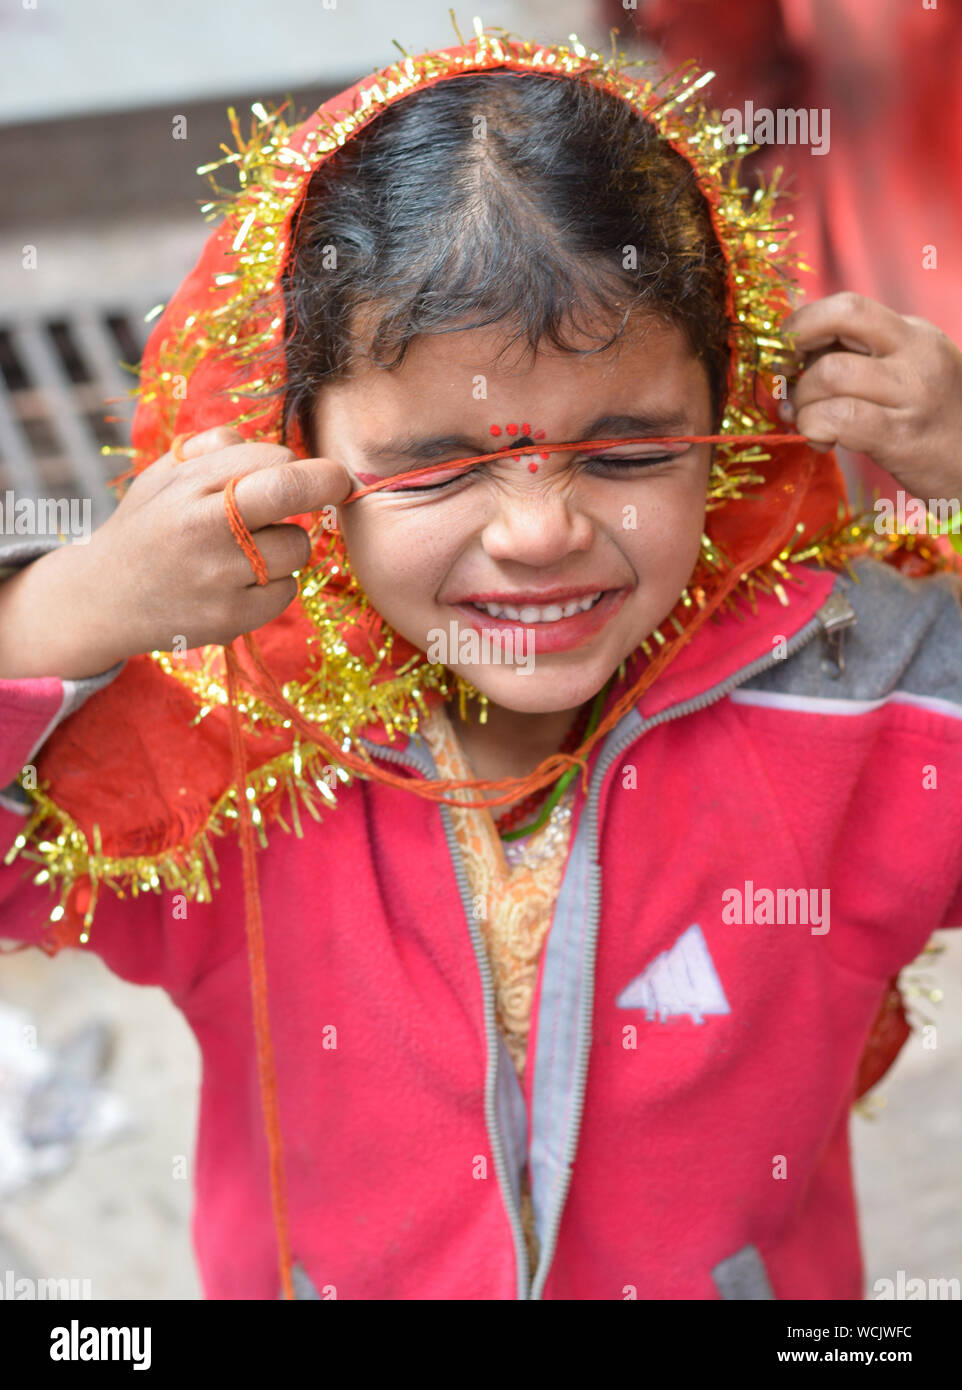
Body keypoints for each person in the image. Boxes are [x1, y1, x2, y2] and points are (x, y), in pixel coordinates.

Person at [0, 26, 960, 1301]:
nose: (537, 530)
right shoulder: (217, 747)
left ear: (725, 427)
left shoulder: (850, 698)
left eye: (625, 451)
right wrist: (60, 610)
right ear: (291, 446)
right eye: (435, 464)